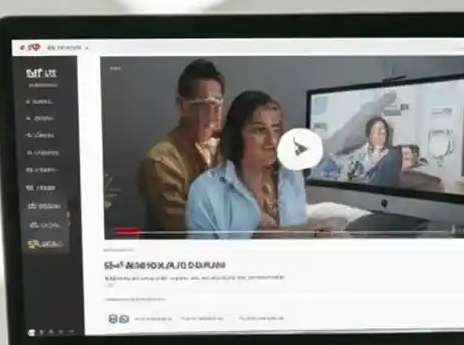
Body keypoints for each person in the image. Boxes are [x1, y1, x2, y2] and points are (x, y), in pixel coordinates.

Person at [185, 90, 319, 240]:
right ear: (236, 136)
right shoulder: (206, 190)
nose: (272, 141)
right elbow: (203, 260)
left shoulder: (292, 178)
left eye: (275, 130)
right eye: (259, 130)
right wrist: (252, 244)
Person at [136, 59, 225, 236]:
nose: (215, 114)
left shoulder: (230, 146)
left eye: (218, 103)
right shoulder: (160, 162)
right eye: (207, 103)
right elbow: (188, 228)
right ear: (183, 106)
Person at [344, 116, 402, 186]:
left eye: (383, 133)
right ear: (369, 135)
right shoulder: (358, 153)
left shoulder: (392, 155)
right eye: (377, 132)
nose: (381, 135)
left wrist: (376, 155)